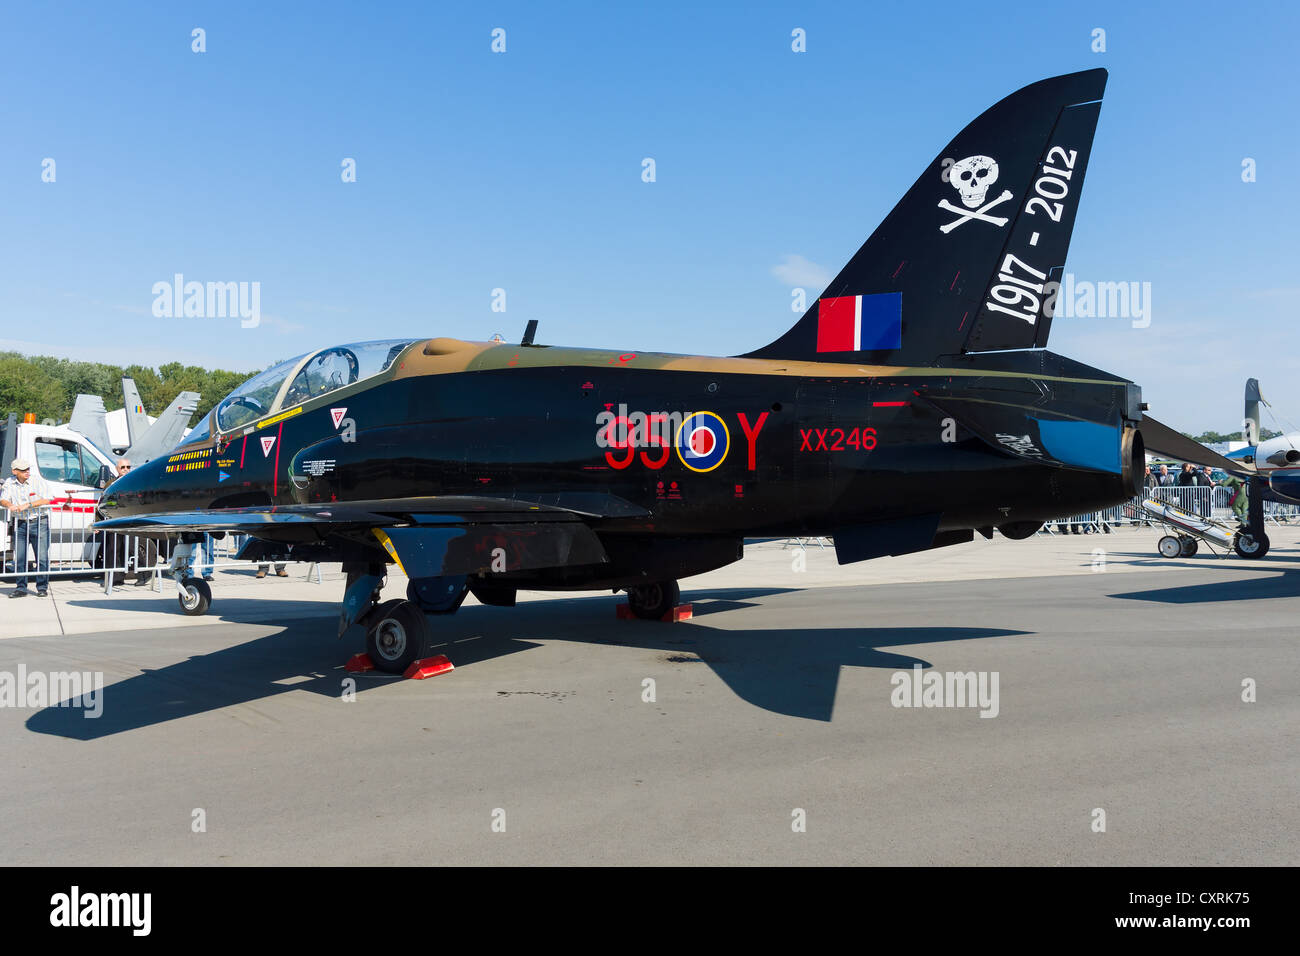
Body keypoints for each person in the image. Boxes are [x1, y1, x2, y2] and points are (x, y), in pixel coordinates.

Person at [1, 458, 53, 597]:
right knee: (20, 558)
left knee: (41, 558)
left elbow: (48, 499)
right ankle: (21, 588)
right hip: (21, 523)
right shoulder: (9, 482)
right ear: (14, 471)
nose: (27, 472)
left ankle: (42, 588)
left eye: (28, 469)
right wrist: (9, 505)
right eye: (23, 470)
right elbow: (3, 498)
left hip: (39, 521)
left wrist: (28, 505)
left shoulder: (37, 480)